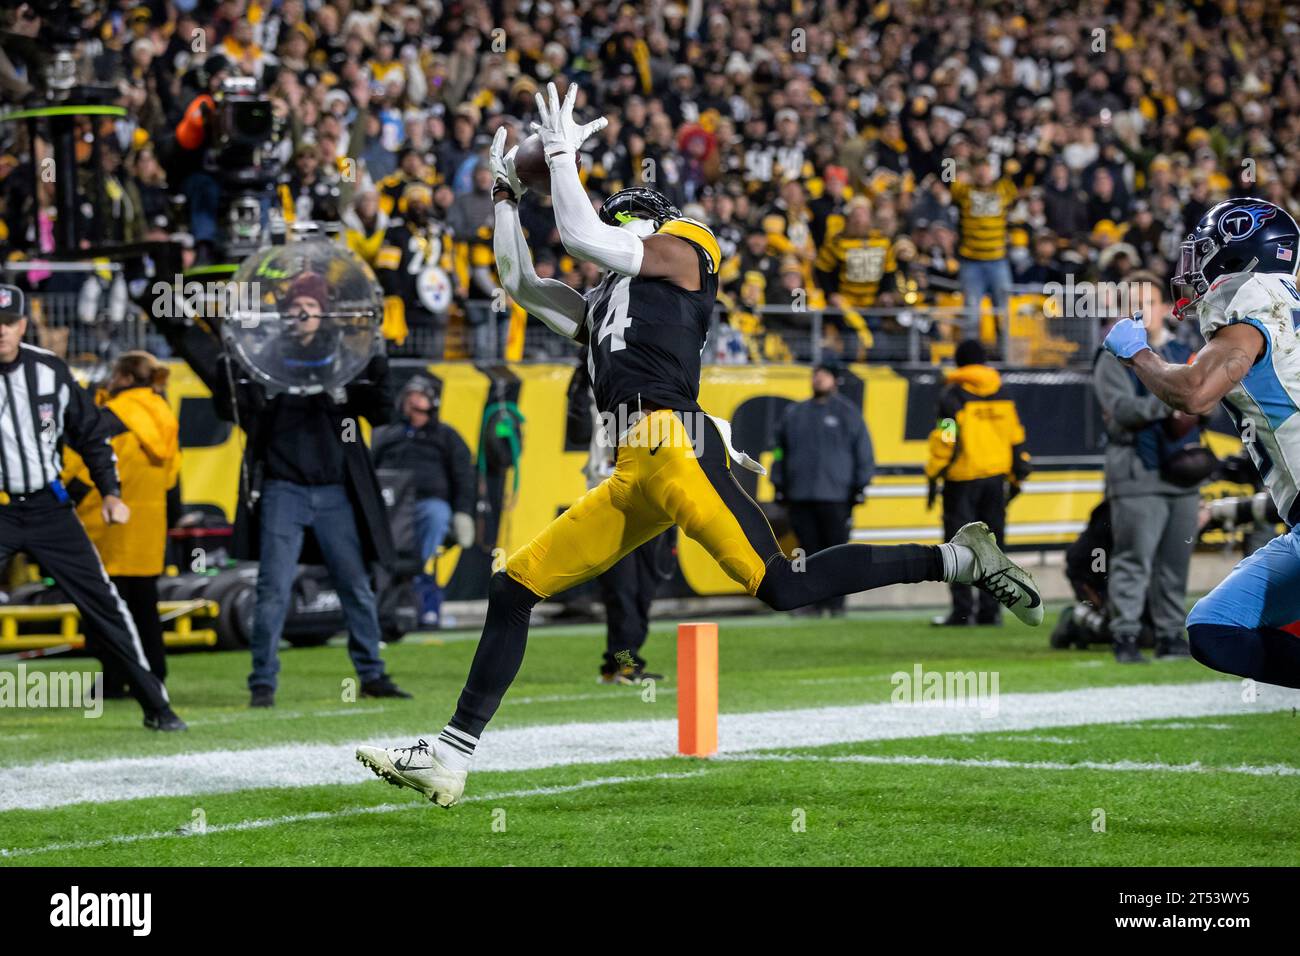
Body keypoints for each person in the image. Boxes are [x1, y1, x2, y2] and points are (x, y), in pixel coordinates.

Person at [356, 84, 1042, 808]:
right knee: (515, 585)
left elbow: (582, 237)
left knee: (781, 586)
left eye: (623, 222)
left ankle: (960, 558)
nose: (610, 235)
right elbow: (520, 283)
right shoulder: (607, 300)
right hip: (633, 466)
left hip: (674, 444)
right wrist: (503, 196)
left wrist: (559, 159)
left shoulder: (689, 250)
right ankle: (450, 755)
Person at [156, 273, 411, 708]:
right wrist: (230, 365)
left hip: (334, 491)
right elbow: (235, 410)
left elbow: (382, 410)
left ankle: (372, 674)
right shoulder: (267, 356)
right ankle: (263, 682)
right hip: (282, 488)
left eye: (310, 305)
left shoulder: (343, 355)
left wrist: (378, 357)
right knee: (272, 588)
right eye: (296, 305)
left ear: (322, 310)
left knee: (355, 584)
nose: (302, 312)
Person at [1100, 197, 1300, 689]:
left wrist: (1138, 355)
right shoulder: (1283, 304)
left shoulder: (1253, 305)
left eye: (1204, 252)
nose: (1192, 266)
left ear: (1240, 253)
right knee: (1214, 628)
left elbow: (1194, 393)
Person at [0, 285, 185, 730]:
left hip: (48, 508)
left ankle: (157, 707)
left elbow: (90, 435)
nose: (1, 332)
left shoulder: (49, 371)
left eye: (7, 323)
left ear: (23, 325)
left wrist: (111, 493)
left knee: (105, 603)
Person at [1093, 275, 1200, 663]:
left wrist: (1191, 402)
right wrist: (1177, 401)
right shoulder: (1111, 357)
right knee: (1133, 558)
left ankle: (1171, 635)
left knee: (1176, 561)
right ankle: (1125, 634)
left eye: (1150, 302)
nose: (1142, 311)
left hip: (1182, 472)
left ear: (1164, 307)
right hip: (1137, 471)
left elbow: (1207, 403)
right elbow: (1122, 411)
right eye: (1134, 303)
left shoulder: (1180, 350)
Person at [62, 351, 181, 696]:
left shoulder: (109, 416)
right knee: (145, 606)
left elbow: (81, 466)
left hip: (108, 524)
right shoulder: (164, 415)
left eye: (115, 374)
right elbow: (171, 476)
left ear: (126, 378)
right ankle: (154, 673)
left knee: (105, 608)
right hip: (148, 526)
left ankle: (114, 677)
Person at [925, 339, 1032, 627]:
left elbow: (946, 437)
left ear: (959, 362)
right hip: (995, 480)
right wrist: (1018, 473)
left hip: (961, 480)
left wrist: (934, 471)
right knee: (993, 549)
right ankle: (991, 612)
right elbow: (1015, 436)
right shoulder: (1003, 392)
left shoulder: (952, 395)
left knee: (959, 548)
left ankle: (962, 612)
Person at [771, 361, 875, 617]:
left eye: (824, 375)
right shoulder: (794, 414)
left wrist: (860, 485)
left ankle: (836, 604)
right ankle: (812, 602)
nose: (818, 379)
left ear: (835, 380)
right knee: (806, 552)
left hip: (836, 497)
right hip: (800, 495)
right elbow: (779, 450)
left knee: (837, 552)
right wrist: (778, 481)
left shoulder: (848, 414)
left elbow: (864, 453)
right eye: (816, 375)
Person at [370, 375, 475, 628]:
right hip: (391, 506)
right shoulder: (387, 434)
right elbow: (370, 470)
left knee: (436, 514)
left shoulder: (446, 436)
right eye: (410, 397)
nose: (414, 402)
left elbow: (464, 476)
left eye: (420, 397)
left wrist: (463, 512)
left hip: (427, 504)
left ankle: (418, 572)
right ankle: (382, 582)